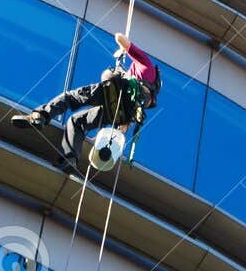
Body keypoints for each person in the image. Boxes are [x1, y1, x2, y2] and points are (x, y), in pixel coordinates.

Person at [11, 40, 162, 172]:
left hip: (111, 92)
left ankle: (39, 117)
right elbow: (125, 124)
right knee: (77, 121)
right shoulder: (143, 101)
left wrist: (123, 48)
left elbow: (119, 37)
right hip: (116, 112)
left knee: (70, 98)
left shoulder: (146, 66)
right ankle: (70, 159)